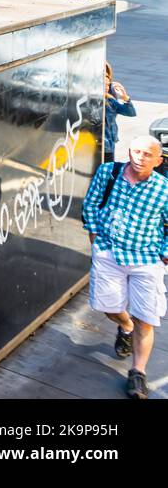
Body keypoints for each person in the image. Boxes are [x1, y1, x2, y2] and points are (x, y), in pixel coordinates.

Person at [81, 135, 168, 399]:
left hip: (147, 259)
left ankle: (137, 373)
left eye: (146, 154)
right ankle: (125, 326)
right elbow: (91, 204)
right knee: (109, 308)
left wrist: (165, 253)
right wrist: (96, 238)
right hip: (109, 254)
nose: (139, 158)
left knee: (146, 319)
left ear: (158, 160)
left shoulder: (164, 189)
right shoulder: (109, 172)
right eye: (136, 151)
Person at [103, 63, 136, 164]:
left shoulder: (110, 100)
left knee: (108, 169)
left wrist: (125, 97)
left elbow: (131, 112)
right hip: (99, 144)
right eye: (104, 85)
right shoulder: (91, 101)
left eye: (108, 85)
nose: (107, 87)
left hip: (109, 143)